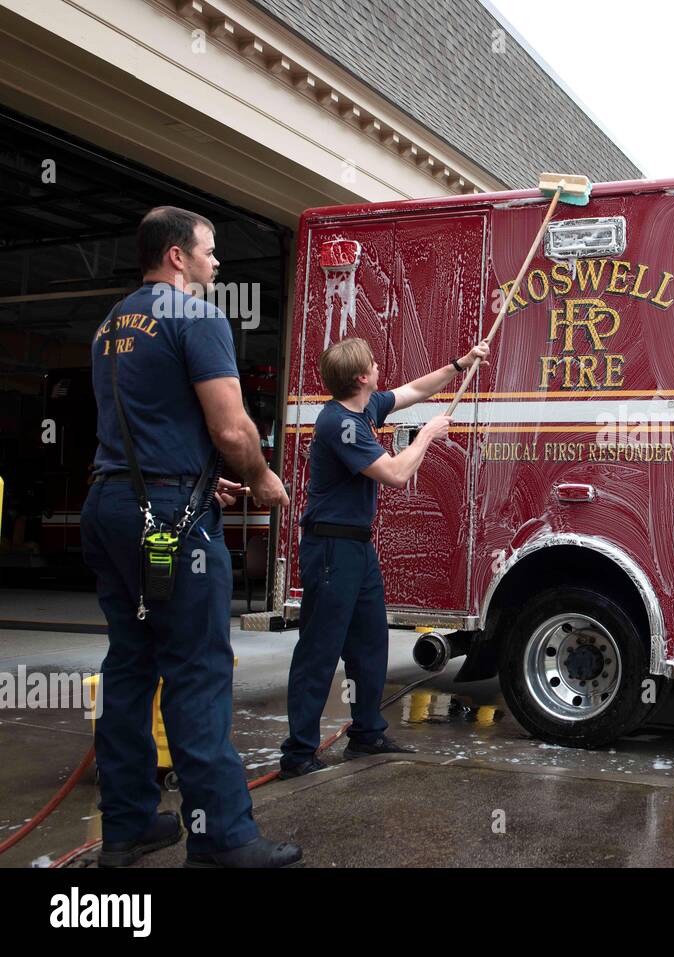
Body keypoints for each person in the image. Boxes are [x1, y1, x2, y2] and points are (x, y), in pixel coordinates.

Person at [83, 206, 301, 867]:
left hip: (112, 505)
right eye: (209, 252)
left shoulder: (107, 326)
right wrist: (260, 478)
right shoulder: (197, 318)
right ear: (177, 256)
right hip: (169, 520)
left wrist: (205, 483)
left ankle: (124, 828)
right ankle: (221, 837)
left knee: (129, 666)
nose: (216, 263)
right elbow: (232, 429)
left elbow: (147, 426)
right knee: (198, 672)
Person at [279, 336, 489, 777]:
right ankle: (298, 753)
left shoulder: (364, 407)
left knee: (370, 643)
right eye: (374, 363)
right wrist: (428, 435)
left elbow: (413, 391)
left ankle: (367, 733)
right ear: (361, 377)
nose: (380, 367)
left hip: (357, 548)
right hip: (332, 549)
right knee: (319, 650)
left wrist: (459, 362)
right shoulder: (342, 425)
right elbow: (395, 473)